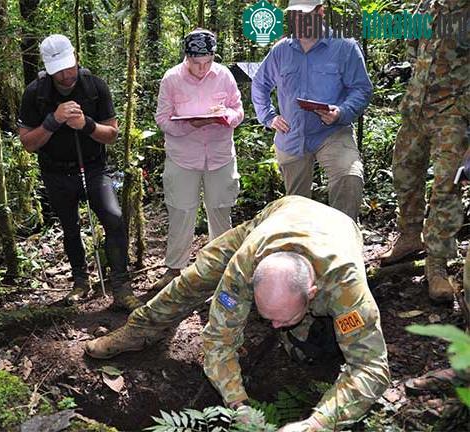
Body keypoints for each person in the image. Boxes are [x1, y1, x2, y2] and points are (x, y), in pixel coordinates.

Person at [85, 196, 390, 431]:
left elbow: (371, 367)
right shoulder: (244, 267)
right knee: (196, 277)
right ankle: (140, 329)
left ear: (312, 295)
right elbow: (218, 340)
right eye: (265, 316)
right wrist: (238, 403)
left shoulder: (346, 287)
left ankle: (302, 331)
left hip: (336, 228)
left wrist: (318, 423)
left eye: (281, 319)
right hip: (276, 217)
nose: (272, 326)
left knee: (310, 351)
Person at [17, 34, 140, 311]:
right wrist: (53, 121)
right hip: (55, 173)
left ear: (76, 59)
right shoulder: (35, 93)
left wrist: (86, 124)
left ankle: (121, 285)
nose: (66, 75)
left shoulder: (94, 86)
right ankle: (80, 281)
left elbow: (112, 135)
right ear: (49, 69)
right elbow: (28, 143)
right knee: (70, 228)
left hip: (94, 168)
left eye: (69, 67)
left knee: (113, 217)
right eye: (59, 70)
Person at [379, 0, 469, 302]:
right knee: (404, 173)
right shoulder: (426, 6)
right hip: (416, 110)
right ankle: (409, 236)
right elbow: (414, 49)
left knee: (447, 186)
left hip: (454, 114)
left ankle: (437, 264)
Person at [251, 0, 372, 221]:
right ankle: (300, 250)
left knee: (349, 176)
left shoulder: (344, 47)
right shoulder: (281, 50)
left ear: (321, 12)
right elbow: (260, 84)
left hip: (333, 131)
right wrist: (268, 116)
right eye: (295, 15)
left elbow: (362, 89)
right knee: (295, 205)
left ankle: (342, 243)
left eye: (305, 15)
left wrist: (341, 112)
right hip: (292, 134)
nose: (299, 21)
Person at [151, 28, 244, 291]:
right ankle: (174, 269)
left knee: (220, 209)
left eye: (207, 62)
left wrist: (226, 114)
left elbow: (238, 110)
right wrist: (189, 125)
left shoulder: (224, 75)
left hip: (220, 155)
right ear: (186, 57)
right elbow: (162, 118)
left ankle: (223, 266)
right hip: (183, 157)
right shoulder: (171, 79)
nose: (202, 69)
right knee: (181, 211)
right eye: (196, 63)